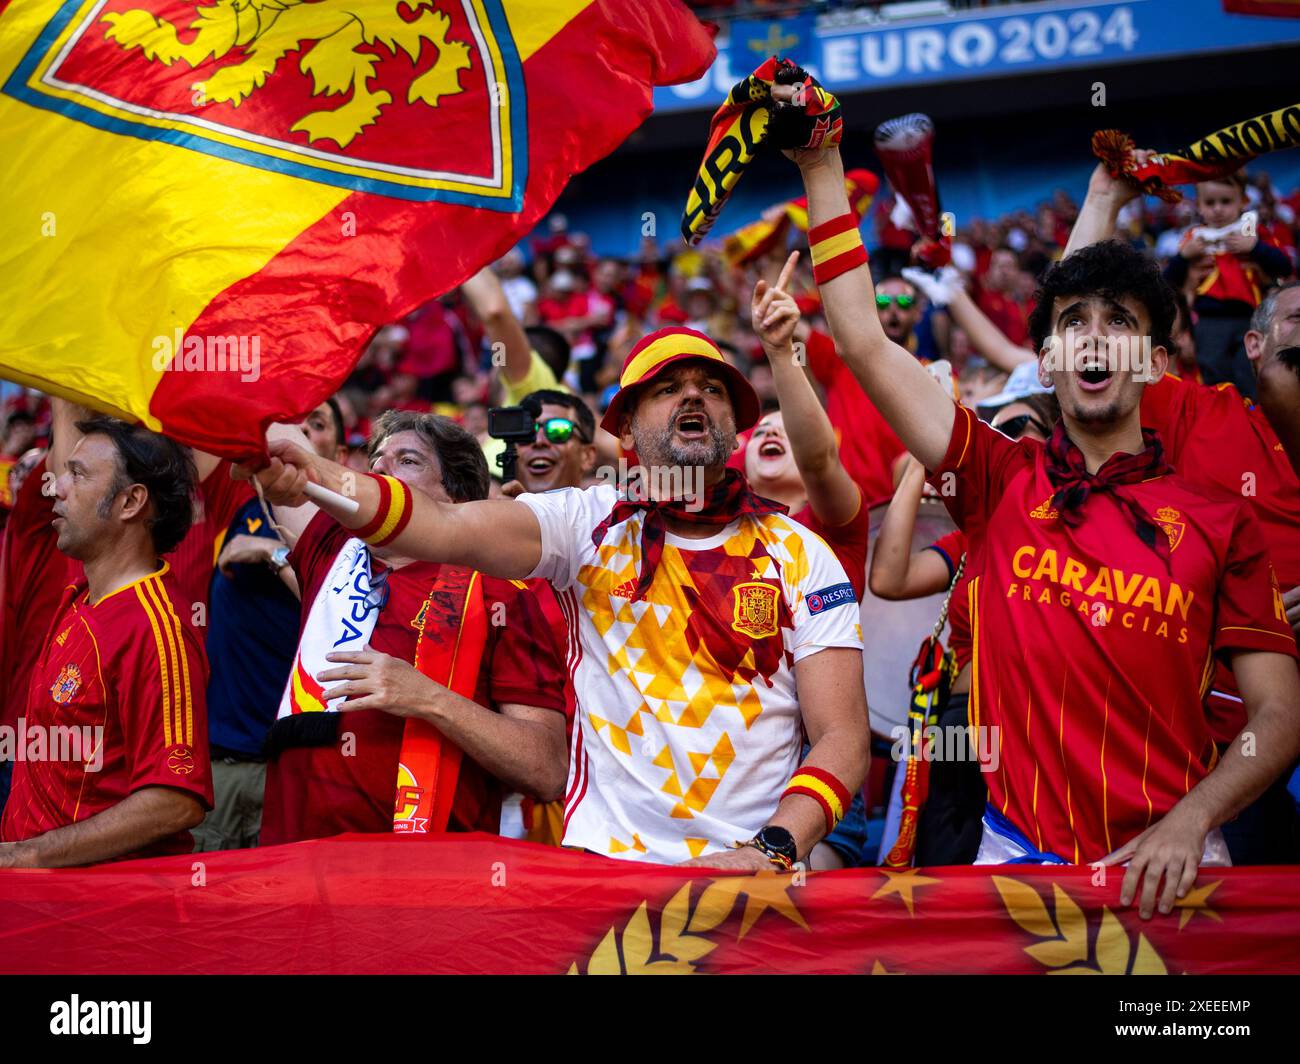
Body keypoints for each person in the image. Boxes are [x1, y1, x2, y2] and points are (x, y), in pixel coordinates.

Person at [788, 133, 1299, 917]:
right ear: (1049, 362)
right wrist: (822, 168)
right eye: (1073, 323)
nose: (1093, 335)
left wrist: (1195, 819)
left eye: (1118, 321)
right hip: (1012, 868)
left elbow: (1278, 715)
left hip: (1173, 872)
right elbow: (862, 338)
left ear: (1155, 363)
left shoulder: (1219, 521)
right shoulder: (997, 478)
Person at [245, 325, 871, 870]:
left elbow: (842, 734)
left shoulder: (801, 551)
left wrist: (774, 849)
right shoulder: (584, 523)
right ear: (625, 429)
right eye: (666, 387)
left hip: (755, 876)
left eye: (711, 389)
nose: (692, 396)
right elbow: (442, 526)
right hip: (604, 869)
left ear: (732, 423)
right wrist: (317, 473)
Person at [259, 410, 570, 845]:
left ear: (457, 503)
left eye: (407, 460)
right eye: (376, 461)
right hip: (294, 863)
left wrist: (427, 698)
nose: (381, 470)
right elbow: (274, 435)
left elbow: (547, 770)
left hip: (428, 884)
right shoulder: (331, 549)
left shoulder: (505, 592)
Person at [0, 417, 212, 866]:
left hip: (94, 914)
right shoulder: (80, 599)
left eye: (78, 475)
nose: (56, 488)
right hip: (40, 905)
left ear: (131, 501)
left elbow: (175, 801)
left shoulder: (157, 630)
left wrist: (29, 854)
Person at [869, 386, 1060, 865]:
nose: (1002, 438)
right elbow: (889, 578)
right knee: (944, 865)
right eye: (994, 429)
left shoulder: (1071, 529)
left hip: (1039, 719)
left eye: (1016, 430)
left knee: (1031, 867)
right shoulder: (974, 535)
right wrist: (920, 460)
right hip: (960, 721)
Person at [747, 253, 873, 868]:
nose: (774, 432)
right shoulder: (701, 535)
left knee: (786, 913)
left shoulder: (837, 532)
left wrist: (782, 355)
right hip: (709, 791)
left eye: (787, 427)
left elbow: (820, 461)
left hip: (818, 799)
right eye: (759, 429)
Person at [191, 399, 349, 851]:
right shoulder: (238, 504)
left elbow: (332, 607)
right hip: (221, 765)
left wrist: (271, 553)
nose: (298, 432)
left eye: (315, 426)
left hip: (296, 768)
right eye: (289, 424)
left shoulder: (349, 531)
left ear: (338, 458)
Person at [1163, 170, 1291, 399]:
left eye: (1226, 201)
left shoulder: (1253, 232)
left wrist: (1254, 248)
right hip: (1209, 320)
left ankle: (1252, 423)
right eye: (1210, 202)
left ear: (1242, 201)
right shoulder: (1194, 237)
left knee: (1250, 374)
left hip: (1250, 317)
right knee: (1213, 375)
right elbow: (1169, 281)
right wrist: (1183, 255)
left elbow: (1284, 266)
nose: (1218, 209)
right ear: (1199, 205)